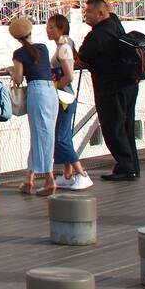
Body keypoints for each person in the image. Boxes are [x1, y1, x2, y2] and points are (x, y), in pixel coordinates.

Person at [77, 0, 139, 181]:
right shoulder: (115, 23)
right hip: (128, 84)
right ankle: (131, 165)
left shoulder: (97, 36)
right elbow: (109, 6)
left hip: (110, 87)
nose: (85, 15)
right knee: (126, 126)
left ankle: (126, 168)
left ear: (100, 13)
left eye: (89, 12)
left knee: (113, 128)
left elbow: (83, 58)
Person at [9, 18, 57, 197]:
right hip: (51, 90)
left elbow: (19, 78)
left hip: (36, 92)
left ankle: (49, 180)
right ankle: (29, 178)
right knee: (44, 133)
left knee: (40, 135)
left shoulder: (18, 53)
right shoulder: (43, 48)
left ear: (16, 37)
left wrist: (12, 71)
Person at [47, 14, 91, 190]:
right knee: (62, 134)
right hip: (63, 95)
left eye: (51, 27)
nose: (48, 30)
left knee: (61, 137)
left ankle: (82, 173)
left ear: (60, 29)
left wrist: (54, 86)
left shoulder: (63, 47)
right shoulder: (66, 43)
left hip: (63, 95)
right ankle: (67, 174)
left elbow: (69, 75)